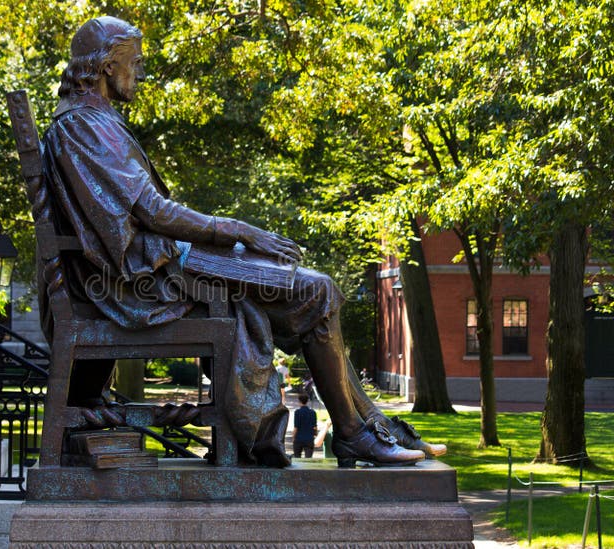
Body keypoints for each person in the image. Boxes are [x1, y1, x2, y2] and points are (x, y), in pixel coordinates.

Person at [43, 15, 444, 468]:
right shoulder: (84, 127)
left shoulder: (93, 123)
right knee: (315, 289)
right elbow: (152, 212)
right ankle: (355, 432)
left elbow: (145, 212)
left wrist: (235, 239)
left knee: (314, 291)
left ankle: (369, 428)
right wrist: (240, 230)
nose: (138, 72)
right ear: (105, 66)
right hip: (143, 285)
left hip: (160, 272)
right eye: (133, 63)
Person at [292, 394, 318, 458]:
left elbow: (296, 427)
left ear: (299, 401)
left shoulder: (297, 412)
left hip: (299, 439)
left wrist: (293, 437)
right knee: (308, 460)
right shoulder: (313, 412)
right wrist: (315, 434)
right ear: (307, 401)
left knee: (297, 458)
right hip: (309, 439)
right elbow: (315, 427)